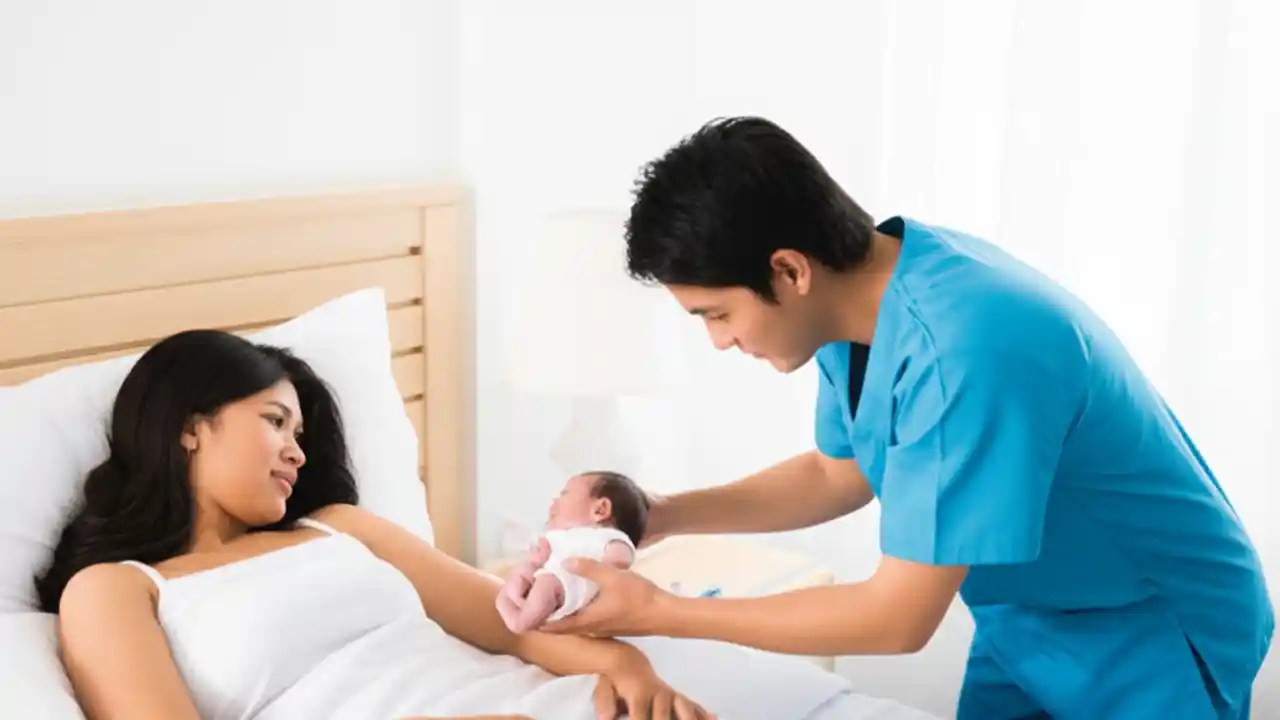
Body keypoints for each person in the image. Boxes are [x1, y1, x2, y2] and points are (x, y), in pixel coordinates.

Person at [540, 116, 1274, 719]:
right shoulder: (867, 300)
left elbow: (896, 619)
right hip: (1028, 615)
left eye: (719, 313)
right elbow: (837, 474)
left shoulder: (967, 347)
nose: (720, 341)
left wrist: (659, 612)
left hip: (1149, 628)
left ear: (789, 270)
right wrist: (660, 514)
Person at [34, 330, 711, 720]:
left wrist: (623, 662)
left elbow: (505, 620)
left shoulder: (338, 526)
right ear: (189, 427)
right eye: (275, 422)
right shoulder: (116, 589)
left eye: (300, 431)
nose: (299, 451)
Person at [497, 471, 645, 633]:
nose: (554, 500)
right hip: (546, 580)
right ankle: (517, 610)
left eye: (564, 493)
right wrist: (531, 564)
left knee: (547, 585)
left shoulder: (607, 536)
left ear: (600, 509)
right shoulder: (556, 536)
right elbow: (539, 558)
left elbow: (621, 558)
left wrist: (611, 567)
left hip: (569, 587)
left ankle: (521, 622)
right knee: (504, 592)